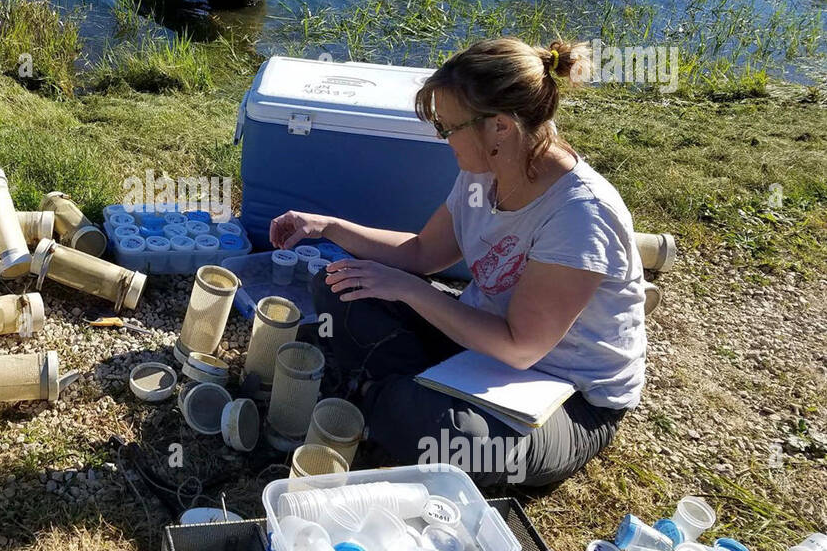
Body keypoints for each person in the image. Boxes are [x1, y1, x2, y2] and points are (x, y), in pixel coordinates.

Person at [269, 38, 646, 490]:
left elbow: (520, 348)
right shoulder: (484, 172)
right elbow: (422, 253)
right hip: (482, 345)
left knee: (449, 435)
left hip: (565, 395)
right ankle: (388, 396)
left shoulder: (579, 216)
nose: (442, 139)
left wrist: (411, 290)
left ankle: (386, 396)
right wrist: (327, 226)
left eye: (448, 128)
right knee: (340, 285)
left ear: (500, 127)